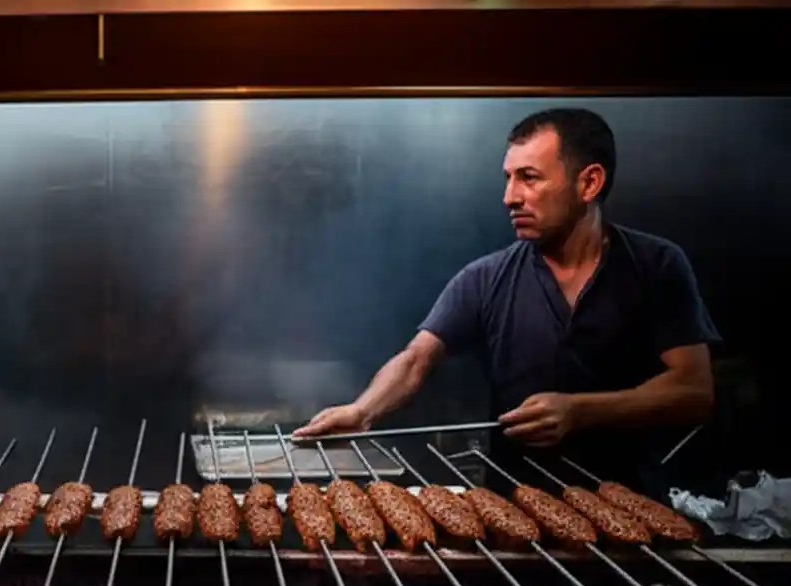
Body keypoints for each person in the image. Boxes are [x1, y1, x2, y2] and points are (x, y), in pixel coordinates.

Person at [293, 108, 720, 489]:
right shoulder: (486, 277)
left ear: (589, 182)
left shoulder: (656, 266)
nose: (509, 197)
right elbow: (416, 359)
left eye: (529, 177)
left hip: (631, 510)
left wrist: (581, 412)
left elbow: (693, 390)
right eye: (508, 178)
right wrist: (363, 411)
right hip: (517, 513)